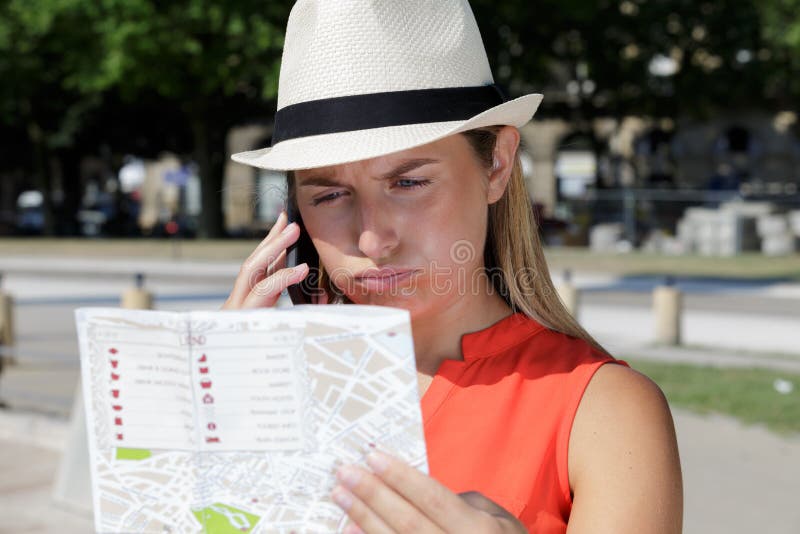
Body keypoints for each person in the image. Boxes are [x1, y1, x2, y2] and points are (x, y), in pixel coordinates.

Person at [223, 1, 683, 532]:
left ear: (498, 165)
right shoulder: (256, 389)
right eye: (329, 195)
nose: (372, 237)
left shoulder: (602, 414)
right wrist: (209, 411)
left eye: (409, 182)